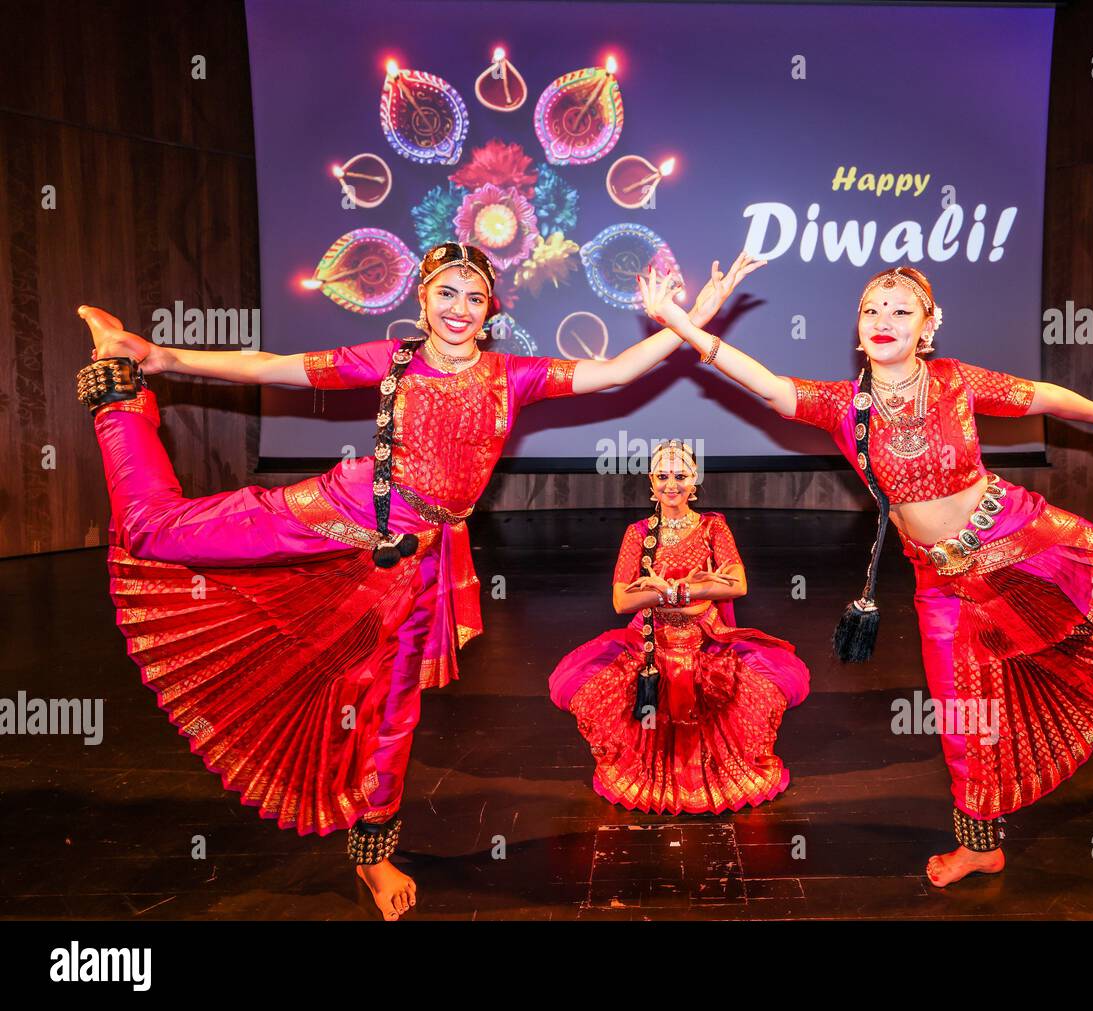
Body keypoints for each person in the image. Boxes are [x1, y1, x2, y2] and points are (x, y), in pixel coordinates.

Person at [75, 242, 763, 919]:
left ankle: (372, 852)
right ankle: (119, 405)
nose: (460, 309)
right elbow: (274, 368)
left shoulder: (510, 376)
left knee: (394, 710)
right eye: (446, 294)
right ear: (422, 299)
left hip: (423, 557)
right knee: (153, 531)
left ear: (491, 309)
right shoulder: (392, 362)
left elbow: (614, 372)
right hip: (342, 512)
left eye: (474, 297)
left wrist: (691, 316)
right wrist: (162, 359)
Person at [636, 265, 1093, 886]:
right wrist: (684, 323)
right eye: (872, 310)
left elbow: (1038, 395)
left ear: (928, 327)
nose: (883, 321)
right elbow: (770, 387)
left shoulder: (954, 381)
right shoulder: (841, 406)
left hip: (1018, 536)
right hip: (942, 581)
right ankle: (980, 845)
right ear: (857, 328)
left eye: (901, 311)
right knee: (963, 716)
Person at [549, 440, 810, 813]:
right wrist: (696, 593)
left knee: (758, 691)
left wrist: (666, 591)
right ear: (650, 484)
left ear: (695, 482)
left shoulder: (713, 528)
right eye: (663, 476)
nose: (672, 484)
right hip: (651, 646)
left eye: (681, 475)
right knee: (596, 692)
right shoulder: (638, 534)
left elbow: (737, 584)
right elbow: (622, 601)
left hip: (704, 643)